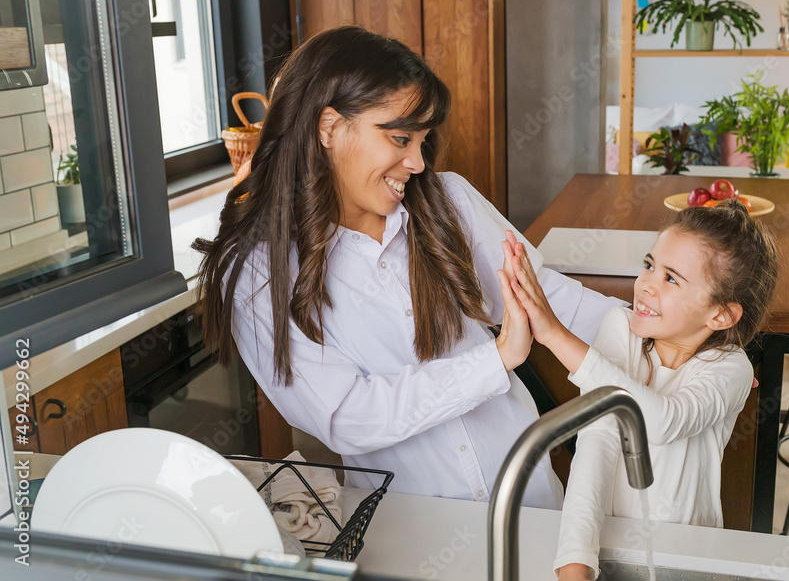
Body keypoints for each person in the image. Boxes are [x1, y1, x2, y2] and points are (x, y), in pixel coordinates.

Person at [193, 26, 623, 510]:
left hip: (533, 504)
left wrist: (666, 330)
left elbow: (553, 301)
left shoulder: (450, 201)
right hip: (411, 535)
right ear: (329, 127)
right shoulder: (259, 271)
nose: (417, 162)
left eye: (422, 140)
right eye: (400, 138)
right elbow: (346, 416)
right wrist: (495, 359)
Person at [500, 199, 778, 580]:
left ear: (721, 314)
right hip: (612, 543)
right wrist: (575, 562)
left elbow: (663, 421)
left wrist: (554, 334)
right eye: (649, 265)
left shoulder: (730, 369)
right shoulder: (620, 330)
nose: (646, 283)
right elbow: (595, 448)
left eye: (671, 278)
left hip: (687, 560)